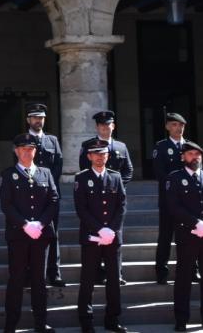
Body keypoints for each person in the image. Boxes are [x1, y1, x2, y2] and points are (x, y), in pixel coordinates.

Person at [0, 133, 59, 333]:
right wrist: (25, 224)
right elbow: (6, 205)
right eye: (24, 149)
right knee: (16, 279)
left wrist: (40, 223)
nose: (28, 152)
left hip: (41, 235)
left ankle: (40, 323)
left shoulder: (45, 173)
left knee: (39, 280)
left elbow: (53, 200)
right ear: (16, 151)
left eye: (31, 149)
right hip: (18, 234)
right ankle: (11, 324)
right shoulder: (8, 175)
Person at [165, 141, 203, 332]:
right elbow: (173, 206)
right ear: (183, 157)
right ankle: (181, 319)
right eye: (191, 154)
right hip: (187, 235)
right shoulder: (174, 178)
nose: (195, 157)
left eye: (198, 154)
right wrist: (196, 223)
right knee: (183, 278)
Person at [74, 139, 127, 333]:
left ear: (108, 156)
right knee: (87, 280)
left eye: (103, 153)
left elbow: (121, 206)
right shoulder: (81, 178)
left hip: (112, 238)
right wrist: (99, 230)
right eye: (95, 154)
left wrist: (111, 230)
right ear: (89, 156)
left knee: (113, 280)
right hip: (91, 237)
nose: (99, 157)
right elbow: (81, 209)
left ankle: (112, 320)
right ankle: (86, 321)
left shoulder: (115, 177)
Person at [79, 110, 132, 285]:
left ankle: (117, 273)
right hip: (93, 200)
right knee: (96, 235)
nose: (105, 129)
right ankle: (99, 273)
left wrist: (117, 186)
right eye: (101, 126)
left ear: (113, 126)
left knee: (115, 236)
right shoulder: (88, 145)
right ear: (97, 127)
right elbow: (84, 171)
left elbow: (128, 170)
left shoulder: (121, 147)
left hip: (115, 200)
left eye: (108, 125)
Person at [25, 102, 66, 287]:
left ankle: (54, 273)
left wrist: (47, 185)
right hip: (29, 195)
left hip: (50, 195)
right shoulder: (23, 139)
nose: (38, 121)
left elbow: (58, 164)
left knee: (52, 234)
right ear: (28, 119)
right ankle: (30, 273)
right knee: (29, 234)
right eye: (34, 117)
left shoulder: (52, 140)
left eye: (41, 118)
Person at [152, 113, 188, 284]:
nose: (178, 128)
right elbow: (161, 173)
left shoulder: (189, 147)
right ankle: (161, 271)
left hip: (188, 201)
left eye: (181, 125)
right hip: (169, 199)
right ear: (167, 127)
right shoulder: (160, 147)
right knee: (166, 237)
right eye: (174, 124)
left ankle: (190, 269)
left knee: (189, 237)